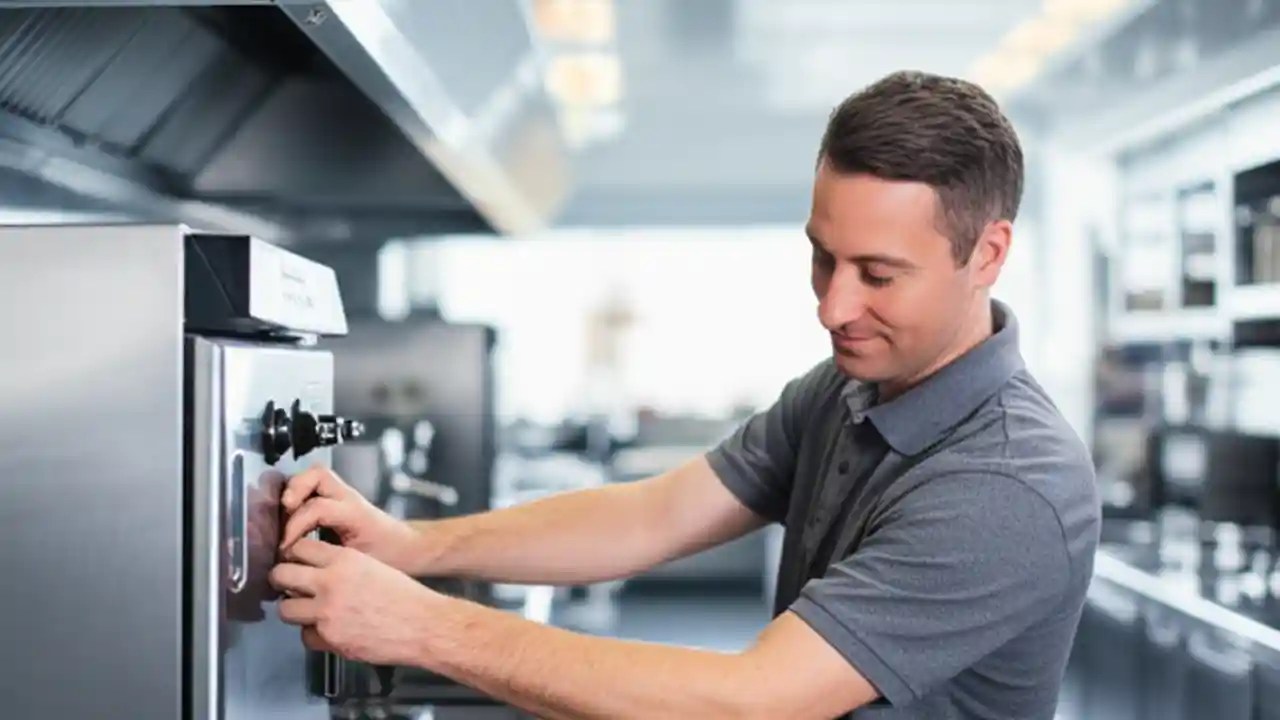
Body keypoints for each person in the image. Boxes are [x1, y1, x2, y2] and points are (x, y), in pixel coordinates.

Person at [269, 70, 1100, 720]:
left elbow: (752, 699)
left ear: (987, 254)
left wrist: (423, 626)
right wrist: (411, 546)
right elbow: (654, 516)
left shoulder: (1007, 484)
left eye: (879, 275)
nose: (832, 306)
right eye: (822, 257)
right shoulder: (850, 388)